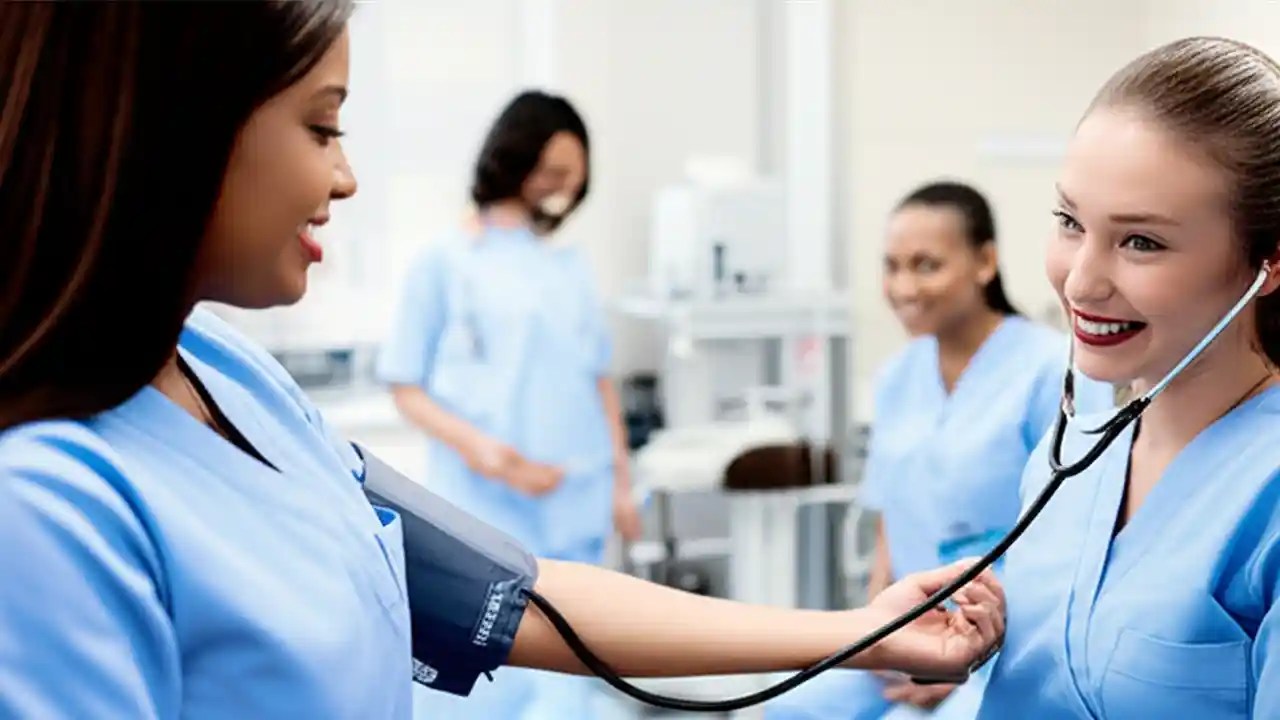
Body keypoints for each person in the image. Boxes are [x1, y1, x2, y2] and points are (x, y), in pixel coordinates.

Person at [0, 3, 1005, 720]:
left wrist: (849, 629)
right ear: (171, 124)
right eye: (321, 124)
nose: (345, 176)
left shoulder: (231, 374)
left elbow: (513, 597)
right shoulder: (43, 503)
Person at [974, 36, 1280, 719]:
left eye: (1141, 241)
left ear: (1270, 262)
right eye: (1070, 222)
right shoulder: (1073, 452)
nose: (1080, 280)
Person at [766, 183, 1113, 720]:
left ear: (985, 262)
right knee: (790, 706)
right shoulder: (897, 377)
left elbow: (1075, 538)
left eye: (926, 265)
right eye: (893, 266)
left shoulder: (1049, 371)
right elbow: (889, 516)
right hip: (908, 630)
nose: (904, 286)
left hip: (1011, 642)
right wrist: (875, 633)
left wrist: (966, 653)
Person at [376, 90, 638, 719]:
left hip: (575, 496)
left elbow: (598, 378)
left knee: (572, 665)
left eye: (572, 182)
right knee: (486, 671)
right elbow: (404, 384)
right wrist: (485, 452)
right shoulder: (445, 262)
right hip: (485, 501)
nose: (559, 192)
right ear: (513, 160)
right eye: (550, 173)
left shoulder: (567, 266)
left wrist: (622, 483)